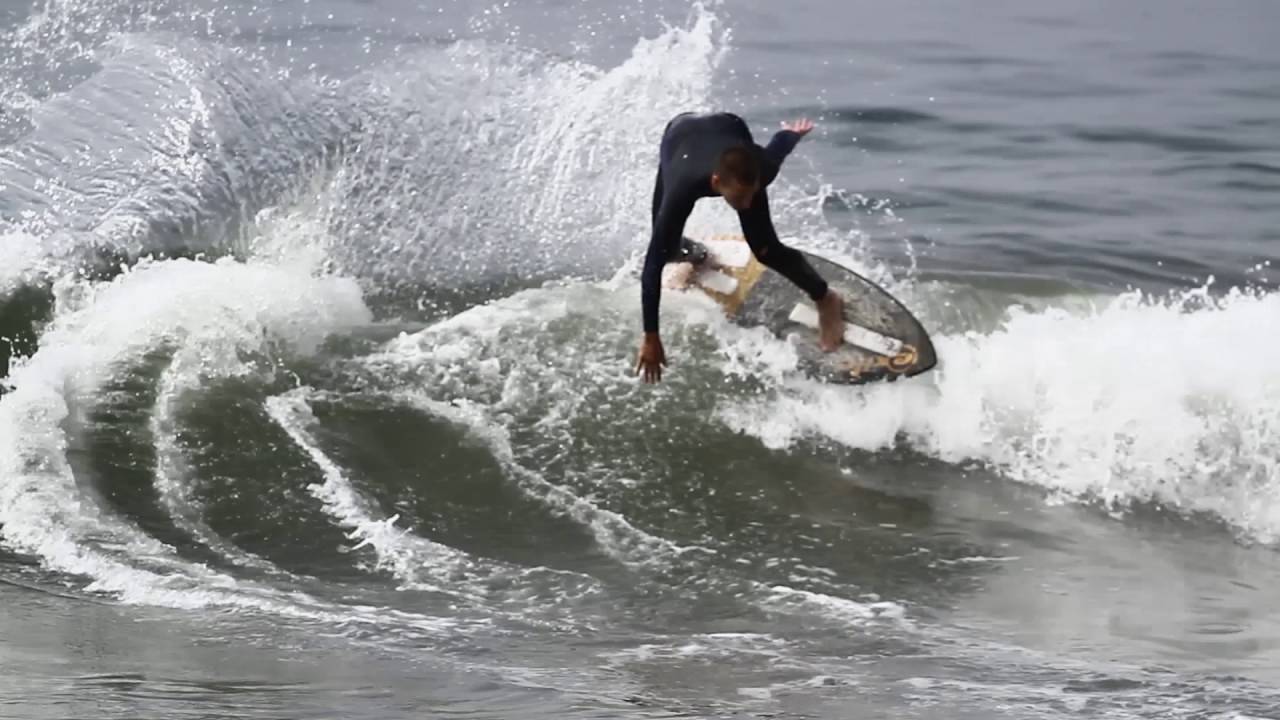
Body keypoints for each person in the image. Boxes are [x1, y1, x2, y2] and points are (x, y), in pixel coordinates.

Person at [635, 111, 844, 383]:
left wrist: (792, 133)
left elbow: (778, 147)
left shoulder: (760, 169)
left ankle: (826, 298)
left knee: (766, 248)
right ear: (716, 183)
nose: (746, 205)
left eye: (751, 194)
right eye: (740, 198)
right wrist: (651, 337)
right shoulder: (683, 187)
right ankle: (695, 255)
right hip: (679, 136)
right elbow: (651, 267)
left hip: (729, 126)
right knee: (665, 249)